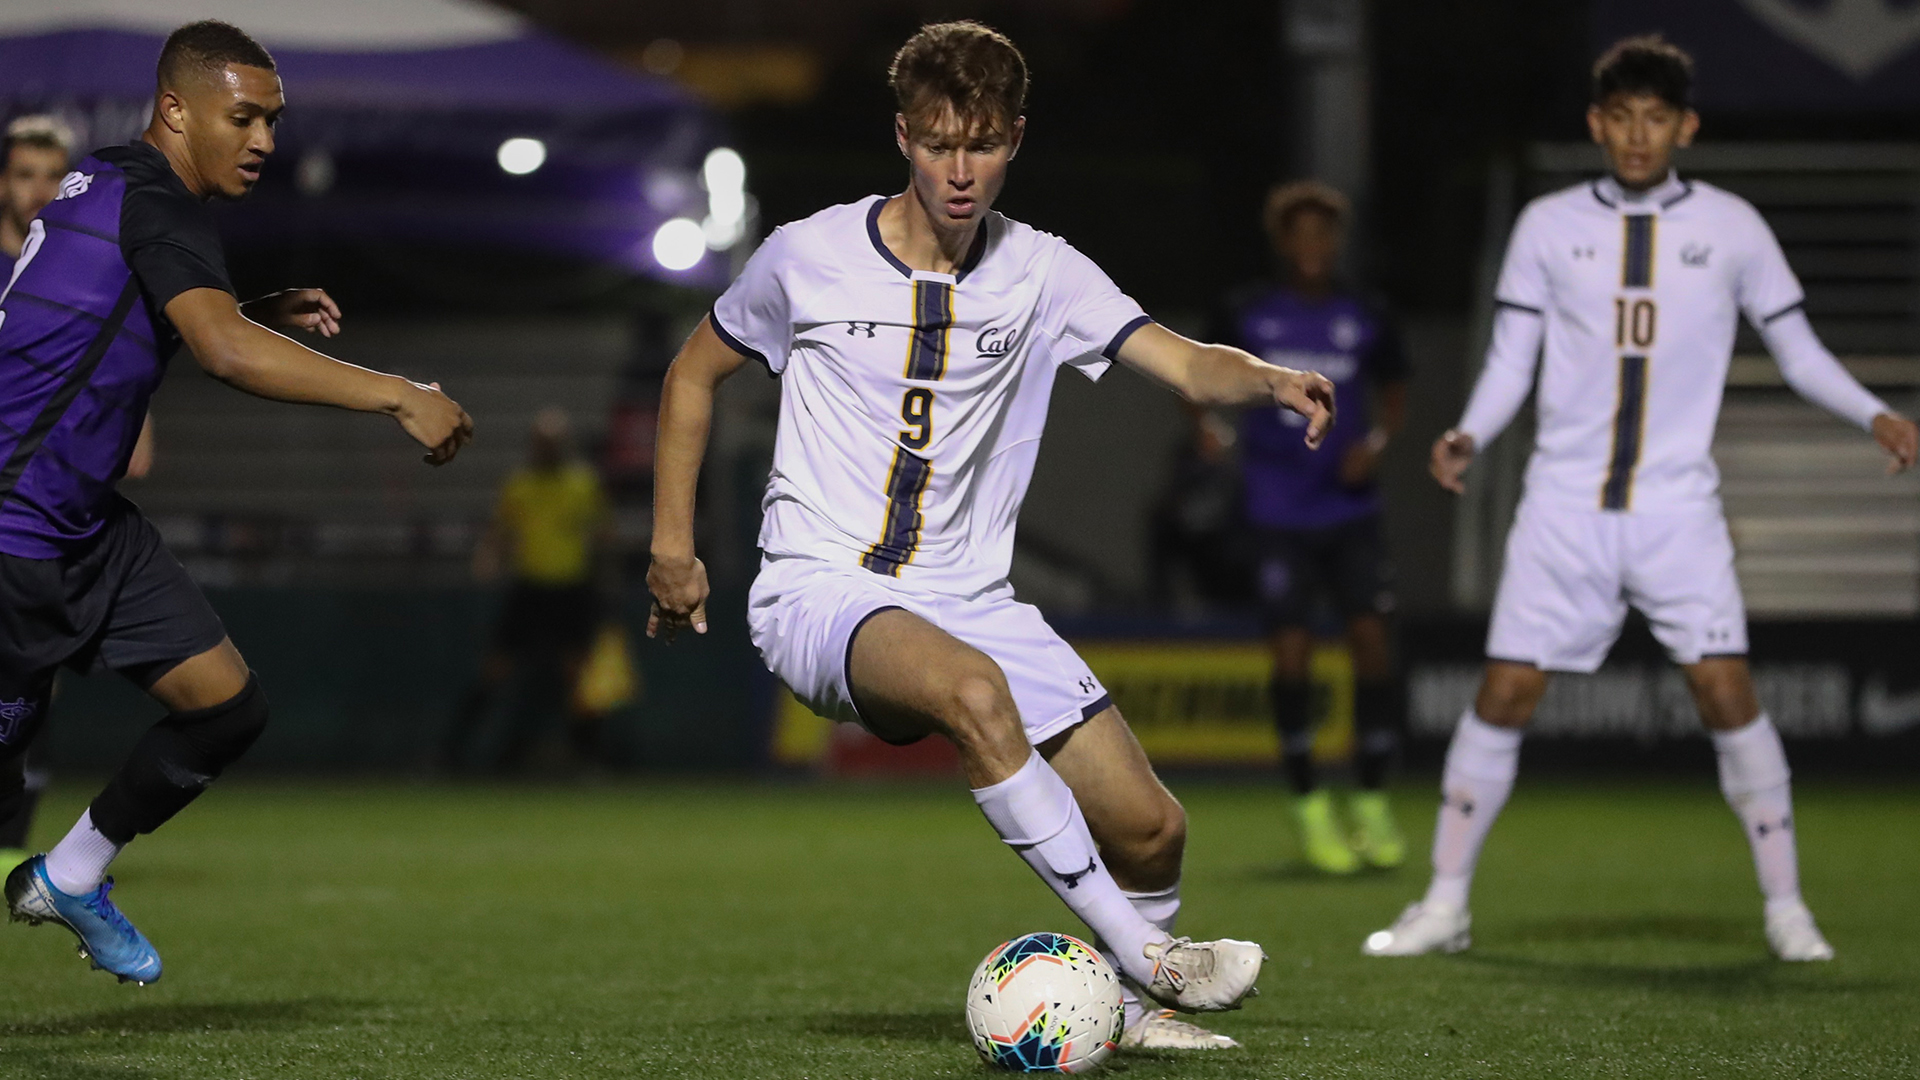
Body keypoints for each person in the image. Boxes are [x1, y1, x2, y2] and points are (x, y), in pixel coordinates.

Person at [648, 21, 1336, 1053]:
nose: (958, 171)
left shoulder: (1045, 273)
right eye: (935, 143)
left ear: (1017, 137)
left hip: (971, 600)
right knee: (974, 695)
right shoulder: (807, 257)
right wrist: (673, 547)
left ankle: (1130, 1016)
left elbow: (1188, 365)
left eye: (981, 144)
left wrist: (1268, 376)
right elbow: (692, 372)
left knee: (1152, 829)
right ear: (901, 136)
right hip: (821, 591)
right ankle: (1152, 963)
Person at [1363, 35, 1918, 962]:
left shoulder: (1734, 228)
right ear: (1596, 123)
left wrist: (1876, 416)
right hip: (1563, 507)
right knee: (1504, 692)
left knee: (1725, 689)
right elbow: (1512, 359)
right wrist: (1471, 431)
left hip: (1676, 509)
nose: (1635, 134)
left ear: (1685, 127)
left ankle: (1787, 908)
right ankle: (1444, 903)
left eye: (1655, 118)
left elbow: (1799, 352)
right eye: (1619, 117)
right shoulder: (1547, 225)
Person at [0, 20, 473, 985]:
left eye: (272, 120)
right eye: (244, 117)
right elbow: (218, 353)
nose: (263, 140)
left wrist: (247, 307)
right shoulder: (161, 207)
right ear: (176, 109)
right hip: (15, 533)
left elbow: (121, 314)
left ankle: (73, 876)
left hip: (82, 525)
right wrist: (397, 392)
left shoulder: (107, 178)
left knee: (225, 706)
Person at [1215, 181, 1409, 875]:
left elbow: (1394, 387)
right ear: (1282, 242)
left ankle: (1372, 799)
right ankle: (1308, 806)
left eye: (1323, 234)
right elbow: (1199, 374)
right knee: (1292, 656)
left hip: (1349, 509)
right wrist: (1210, 429)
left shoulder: (1366, 312)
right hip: (1276, 510)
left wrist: (1379, 441)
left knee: (1371, 645)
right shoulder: (1250, 313)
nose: (1312, 247)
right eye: (1299, 235)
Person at [443, 406, 610, 773]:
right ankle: (451, 755)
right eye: (542, 442)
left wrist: (603, 586)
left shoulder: (583, 484)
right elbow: (500, 533)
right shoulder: (519, 486)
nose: (548, 449)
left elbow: (601, 537)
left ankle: (593, 760)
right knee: (494, 670)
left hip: (571, 590)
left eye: (554, 442)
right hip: (529, 589)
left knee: (578, 676)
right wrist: (488, 558)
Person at [0, 115, 77, 871]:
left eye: (53, 177)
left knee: (31, 681)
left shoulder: (70, 269)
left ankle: (12, 844)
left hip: (41, 508)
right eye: (25, 174)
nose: (38, 192)